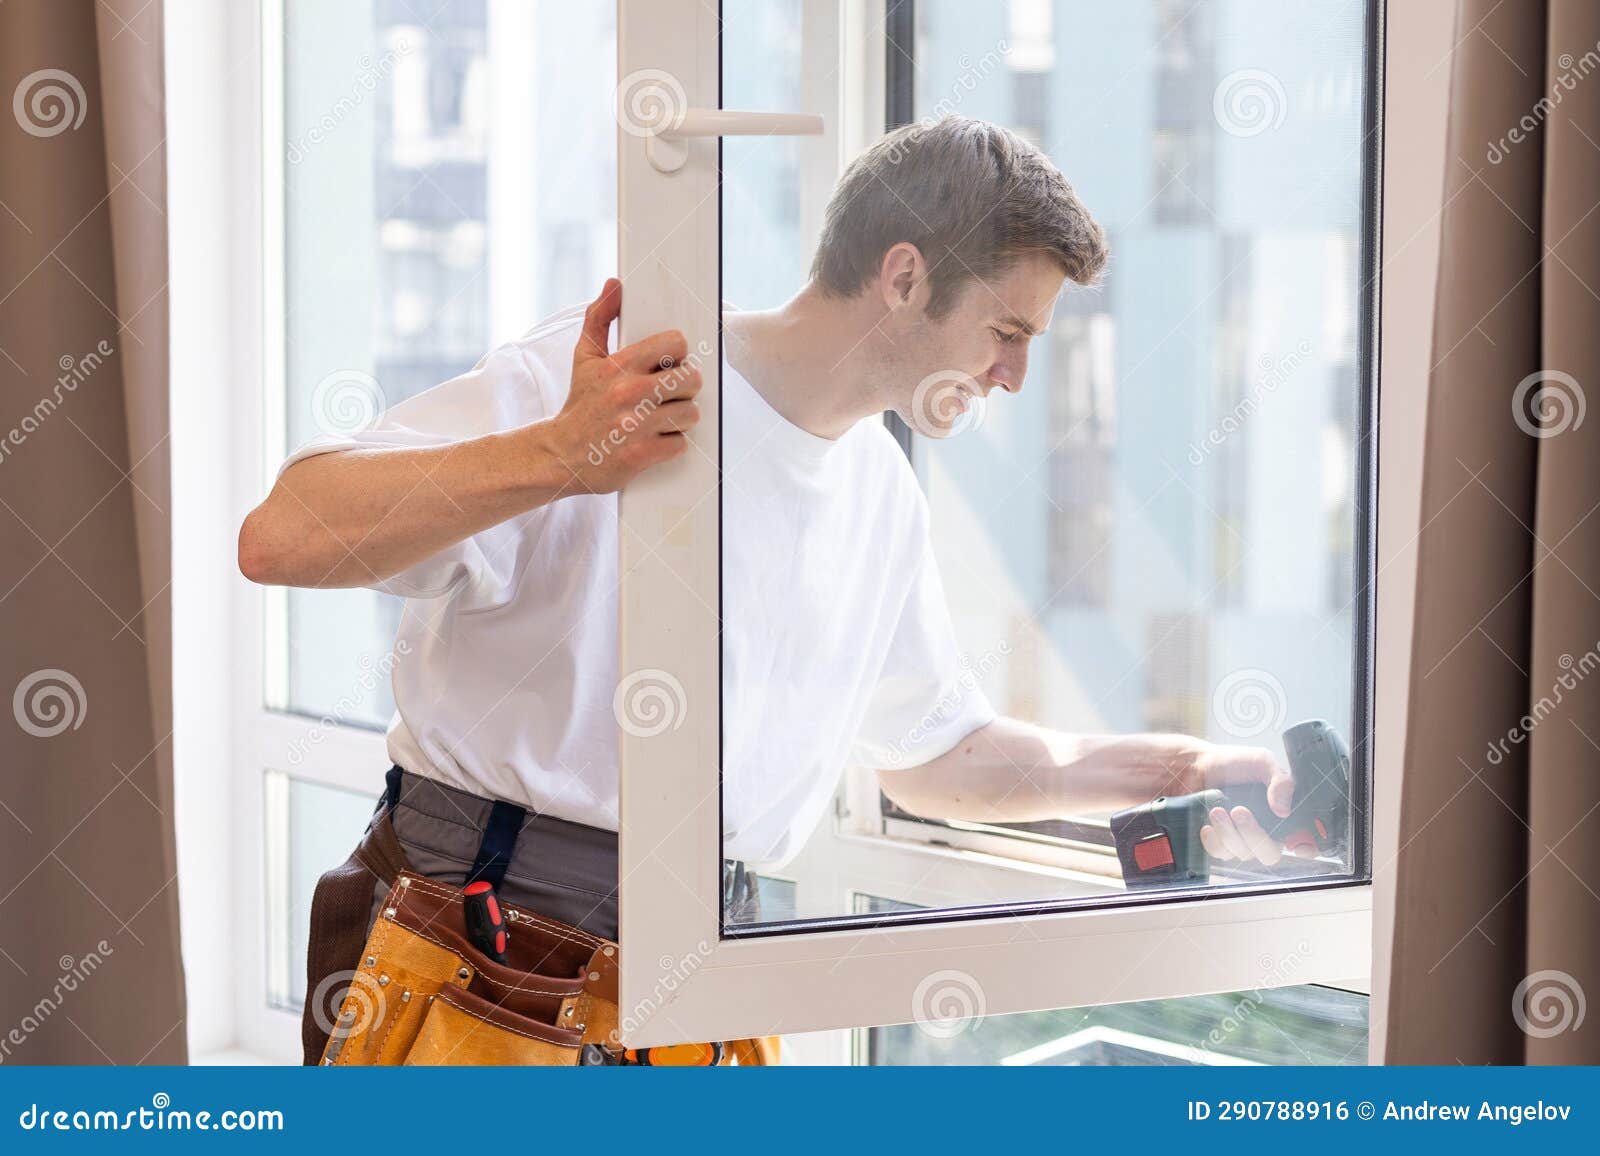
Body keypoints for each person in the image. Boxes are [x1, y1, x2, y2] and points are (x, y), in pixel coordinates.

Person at [240, 118, 1303, 1044]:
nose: (1015, 374)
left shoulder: (880, 490)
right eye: (1007, 331)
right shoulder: (623, 384)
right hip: (479, 944)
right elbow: (282, 538)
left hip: (702, 975)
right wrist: (565, 454)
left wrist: (1181, 767)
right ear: (902, 276)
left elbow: (940, 757)